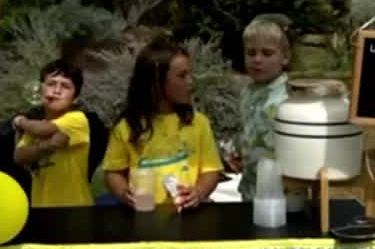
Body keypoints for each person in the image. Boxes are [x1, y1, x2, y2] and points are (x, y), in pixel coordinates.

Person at [102, 36, 222, 212]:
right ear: (155, 82)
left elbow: (211, 171)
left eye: (190, 74)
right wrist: (123, 193)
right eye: (182, 76)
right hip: (145, 215)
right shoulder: (127, 127)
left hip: (189, 215)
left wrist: (199, 192)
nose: (190, 82)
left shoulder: (198, 123)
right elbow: (113, 172)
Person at [13, 60, 95, 208]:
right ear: (40, 90)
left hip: (75, 210)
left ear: (75, 98)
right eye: (51, 84)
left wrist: (20, 121)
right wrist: (47, 146)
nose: (56, 90)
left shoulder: (77, 119)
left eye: (65, 86)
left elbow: (41, 130)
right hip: (42, 211)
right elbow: (19, 156)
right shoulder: (35, 126)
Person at [233, 14, 292, 201]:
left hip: (283, 192)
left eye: (267, 53)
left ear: (285, 57)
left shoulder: (290, 96)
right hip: (250, 189)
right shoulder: (246, 92)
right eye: (251, 53)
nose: (257, 60)